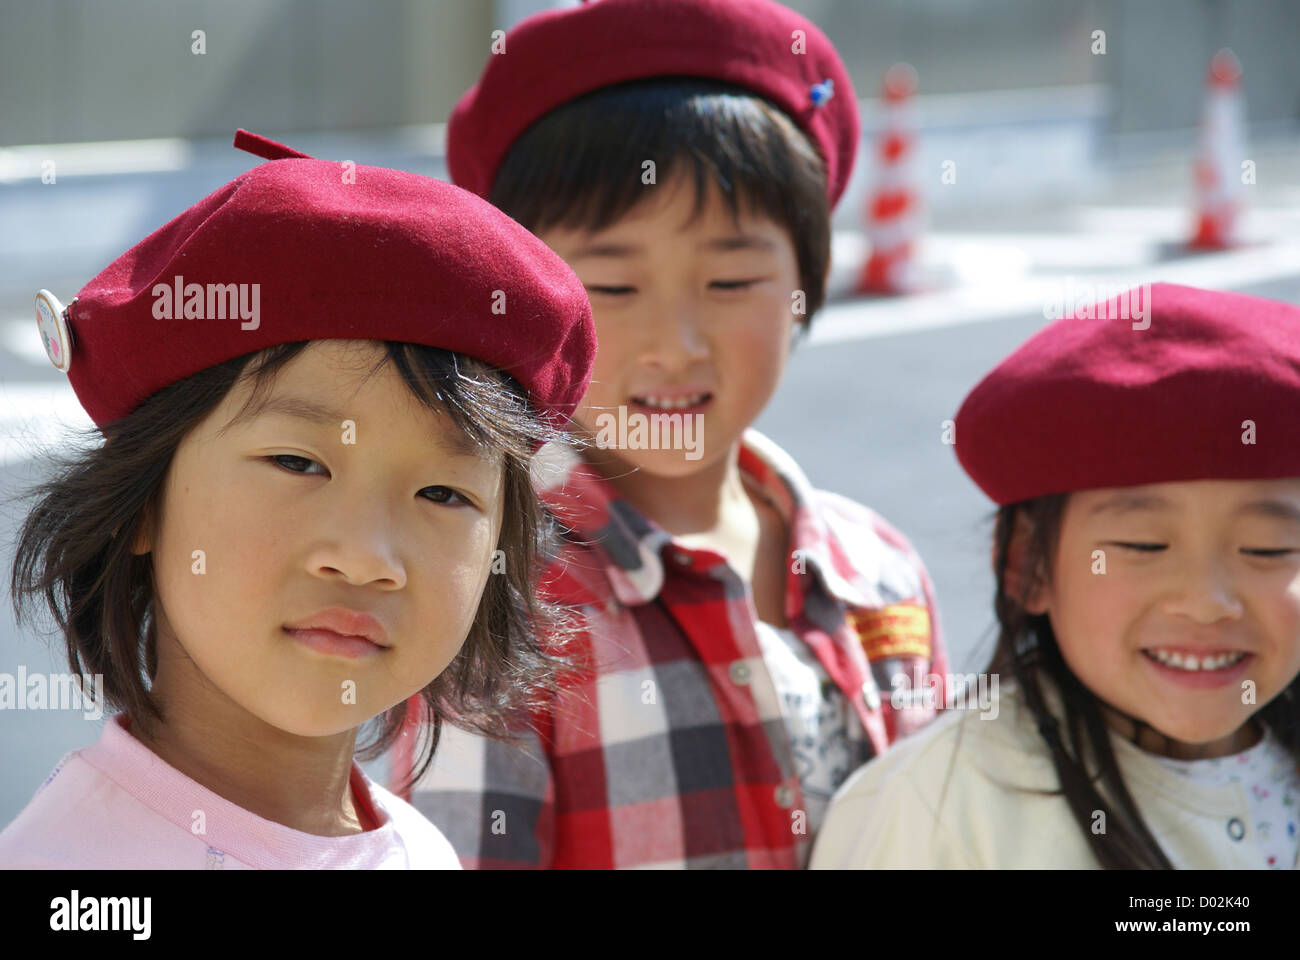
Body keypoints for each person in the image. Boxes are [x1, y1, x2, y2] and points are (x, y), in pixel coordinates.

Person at [404, 0, 947, 869]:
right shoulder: (492, 601)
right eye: (613, 287)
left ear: (806, 283)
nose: (676, 344)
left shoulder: (880, 569)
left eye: (731, 280)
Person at [0, 129, 595, 869]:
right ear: (142, 502)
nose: (365, 558)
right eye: (297, 462)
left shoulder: (423, 853)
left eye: (442, 492)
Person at [812, 282, 1300, 869]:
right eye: (1141, 544)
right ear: (1027, 564)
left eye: (1270, 549)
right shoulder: (941, 809)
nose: (1206, 602)